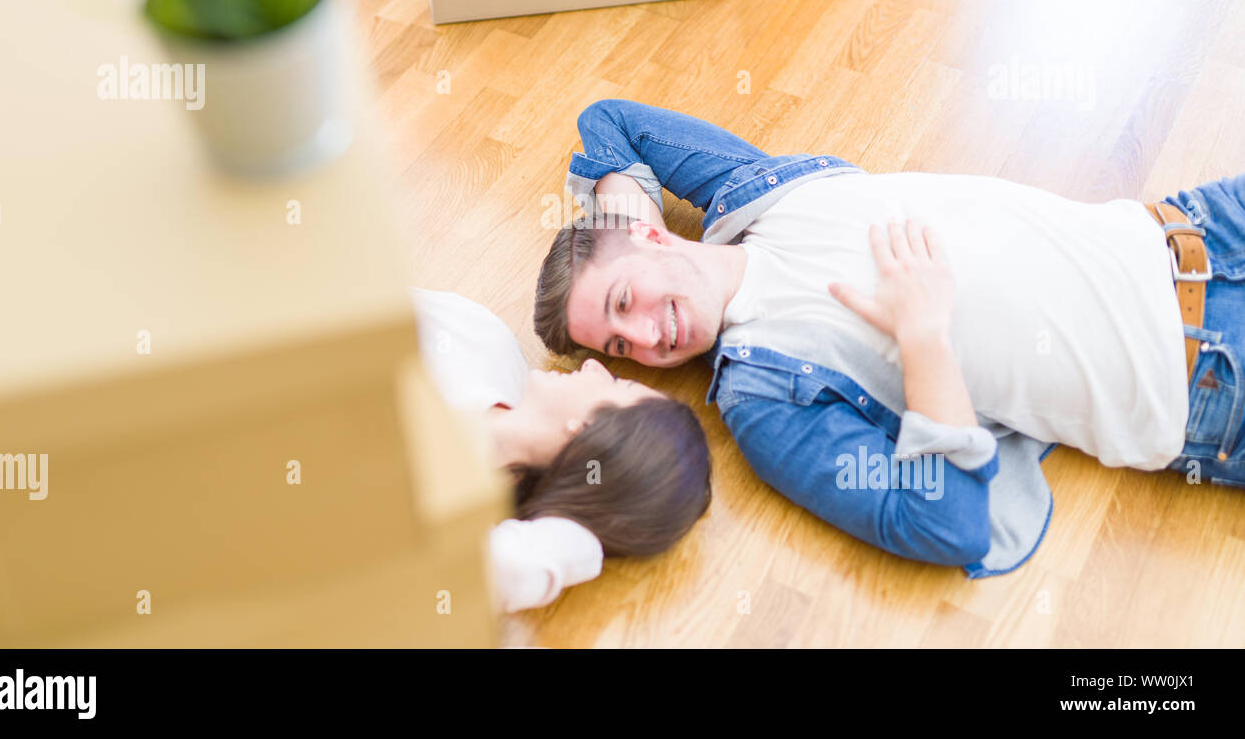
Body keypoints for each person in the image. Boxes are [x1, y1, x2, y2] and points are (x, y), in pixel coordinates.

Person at [533, 98, 1245, 578]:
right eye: (619, 346)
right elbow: (946, 522)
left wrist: (623, 225)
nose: (643, 335)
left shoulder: (755, 194)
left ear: (650, 234)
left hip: (1198, 225)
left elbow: (609, 120)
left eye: (624, 301)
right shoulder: (763, 401)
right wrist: (925, 335)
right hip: (1207, 371)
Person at [409, 287, 711, 612]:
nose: (594, 366)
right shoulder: (481, 342)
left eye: (616, 383)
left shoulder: (456, 529)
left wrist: (585, 534)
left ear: (587, 432)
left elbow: (511, 569)